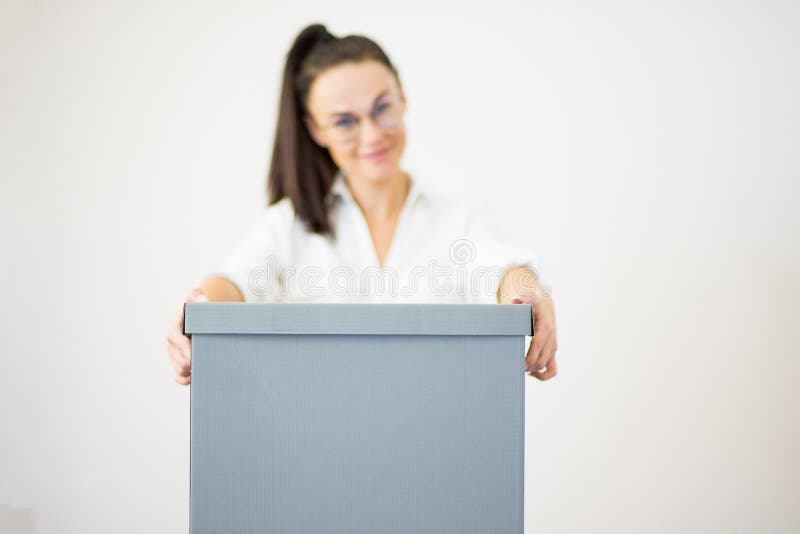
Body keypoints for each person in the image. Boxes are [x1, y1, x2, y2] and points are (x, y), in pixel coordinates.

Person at [165, 23, 558, 386]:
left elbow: (501, 268)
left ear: (403, 99)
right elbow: (234, 281)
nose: (371, 136)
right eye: (345, 122)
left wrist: (529, 292)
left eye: (382, 108)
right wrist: (197, 307)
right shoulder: (288, 227)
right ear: (316, 130)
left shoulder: (460, 222)